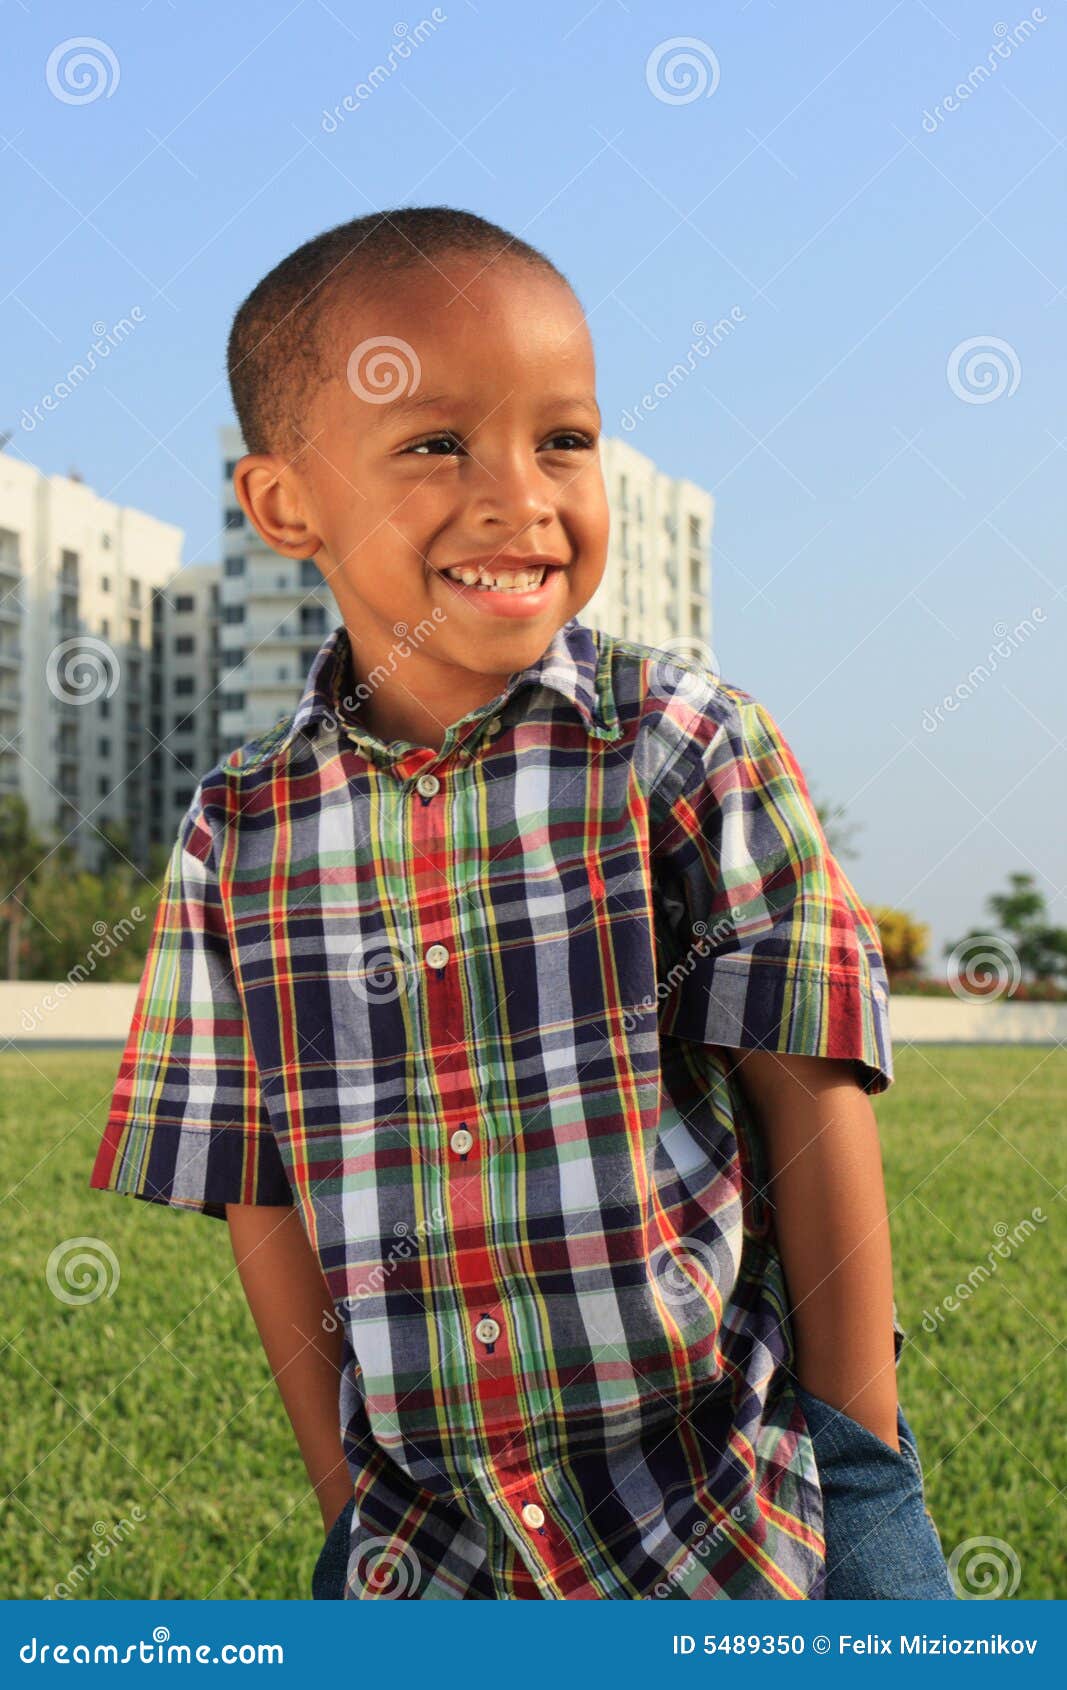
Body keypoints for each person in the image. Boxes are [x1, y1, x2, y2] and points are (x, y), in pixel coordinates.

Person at [89, 205, 955, 1601]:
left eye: (562, 437)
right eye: (437, 444)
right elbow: (258, 1192)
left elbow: (808, 1091)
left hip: (740, 1506)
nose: (519, 496)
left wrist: (858, 1460)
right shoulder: (232, 832)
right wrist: (347, 1506)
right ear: (281, 505)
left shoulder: (684, 744)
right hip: (432, 1553)